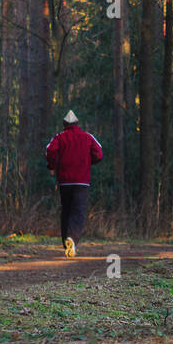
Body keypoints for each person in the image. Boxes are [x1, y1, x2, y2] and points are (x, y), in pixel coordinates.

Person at [44, 110, 103, 257]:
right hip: (82, 182)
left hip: (64, 182)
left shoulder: (59, 137)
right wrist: (89, 162)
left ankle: (66, 243)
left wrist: (52, 166)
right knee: (78, 211)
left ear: (64, 124)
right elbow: (99, 153)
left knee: (66, 211)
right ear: (77, 123)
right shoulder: (87, 137)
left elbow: (49, 151)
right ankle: (73, 240)